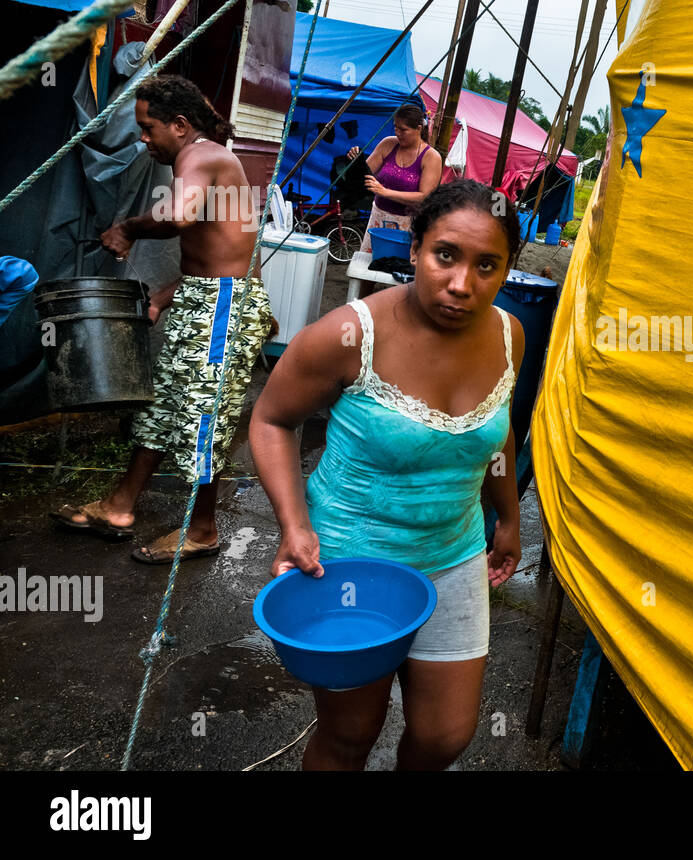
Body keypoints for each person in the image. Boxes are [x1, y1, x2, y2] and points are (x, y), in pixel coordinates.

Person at [249, 179, 524, 770]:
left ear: (507, 271)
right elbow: (272, 420)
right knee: (351, 734)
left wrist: (508, 518)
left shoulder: (509, 335)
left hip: (454, 555)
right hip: (350, 559)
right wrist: (294, 527)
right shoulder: (348, 337)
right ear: (416, 246)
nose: (461, 284)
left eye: (487, 265)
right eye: (444, 255)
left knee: (443, 736)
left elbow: (497, 440)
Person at [50, 74, 274, 564]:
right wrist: (170, 295)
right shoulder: (214, 159)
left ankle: (204, 528)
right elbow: (231, 257)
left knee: (200, 420)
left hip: (221, 310)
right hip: (210, 301)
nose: (143, 139)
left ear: (179, 124)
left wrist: (129, 227)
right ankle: (119, 505)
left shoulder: (201, 156)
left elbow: (180, 216)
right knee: (160, 413)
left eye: (148, 128)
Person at [348, 103, 442, 255]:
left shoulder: (431, 157)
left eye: (403, 129)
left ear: (419, 129)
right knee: (368, 267)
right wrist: (355, 162)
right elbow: (363, 177)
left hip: (408, 225)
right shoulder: (388, 144)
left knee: (398, 274)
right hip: (378, 219)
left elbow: (424, 198)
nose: (397, 132)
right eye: (395, 127)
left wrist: (385, 192)